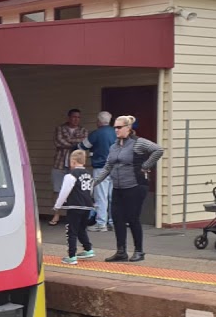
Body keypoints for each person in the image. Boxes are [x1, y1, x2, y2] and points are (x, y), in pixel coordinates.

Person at [93, 115, 163, 262]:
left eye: (119, 127)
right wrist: (94, 182)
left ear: (128, 128)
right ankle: (121, 251)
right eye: (115, 127)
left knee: (132, 218)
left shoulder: (138, 143)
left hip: (135, 186)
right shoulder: (114, 146)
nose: (116, 130)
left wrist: (146, 166)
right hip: (118, 187)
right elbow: (108, 166)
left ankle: (139, 251)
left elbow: (158, 150)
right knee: (117, 218)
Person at [52, 150, 96, 264]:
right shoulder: (89, 174)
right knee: (81, 228)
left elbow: (64, 192)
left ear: (73, 161)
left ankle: (71, 255)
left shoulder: (70, 175)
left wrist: (57, 205)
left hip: (75, 205)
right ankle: (88, 248)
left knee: (71, 231)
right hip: (87, 206)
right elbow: (91, 191)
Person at [80, 111, 115, 232]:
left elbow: (82, 146)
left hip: (101, 167)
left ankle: (101, 223)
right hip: (115, 167)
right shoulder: (116, 132)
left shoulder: (96, 133)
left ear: (99, 121)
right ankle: (113, 222)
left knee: (101, 196)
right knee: (113, 197)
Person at [52, 109, 88, 212]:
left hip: (76, 166)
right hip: (59, 164)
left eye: (78, 117)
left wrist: (68, 142)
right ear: (69, 118)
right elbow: (58, 142)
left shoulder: (83, 130)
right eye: (74, 117)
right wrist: (75, 144)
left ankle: (71, 214)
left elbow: (83, 143)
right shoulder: (60, 128)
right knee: (57, 190)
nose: (76, 119)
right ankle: (56, 215)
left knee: (75, 191)